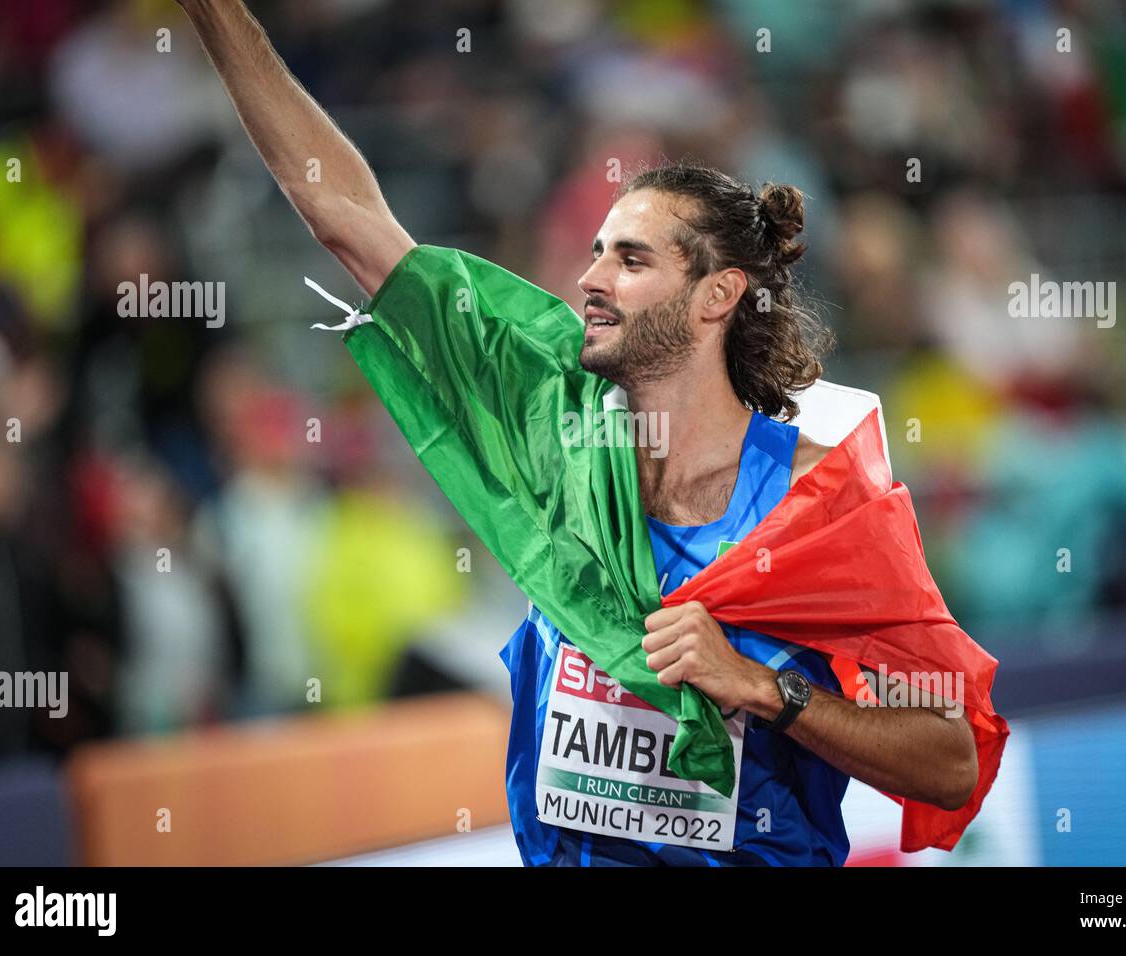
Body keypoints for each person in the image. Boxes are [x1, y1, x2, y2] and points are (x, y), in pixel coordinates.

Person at [177, 0, 979, 866]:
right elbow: (346, 215)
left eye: (630, 260)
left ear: (717, 296)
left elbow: (950, 759)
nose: (589, 279)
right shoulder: (552, 422)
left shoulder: (821, 504)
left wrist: (759, 686)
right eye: (596, 249)